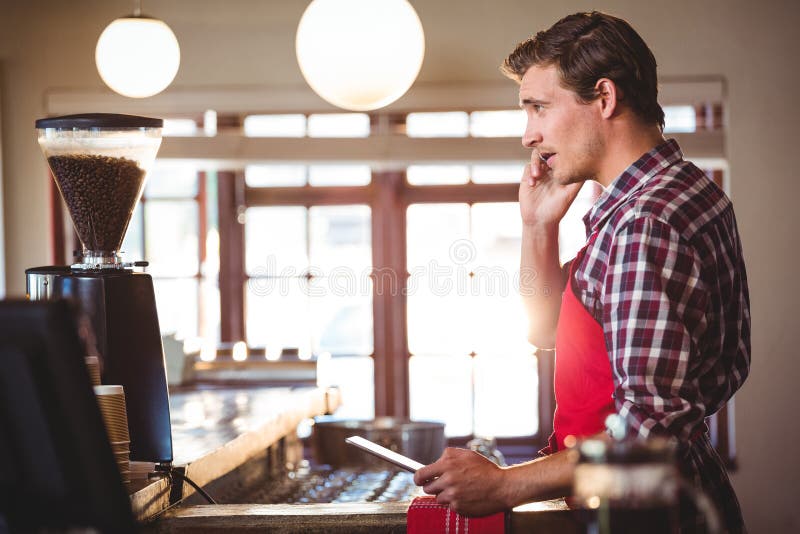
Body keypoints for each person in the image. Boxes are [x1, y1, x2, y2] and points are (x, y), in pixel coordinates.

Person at [413, 11, 750, 533]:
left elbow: (649, 439)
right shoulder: (672, 195)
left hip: (647, 516)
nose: (529, 135)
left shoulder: (645, 223)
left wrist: (504, 484)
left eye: (539, 108)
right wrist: (537, 226)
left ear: (605, 98)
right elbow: (549, 329)